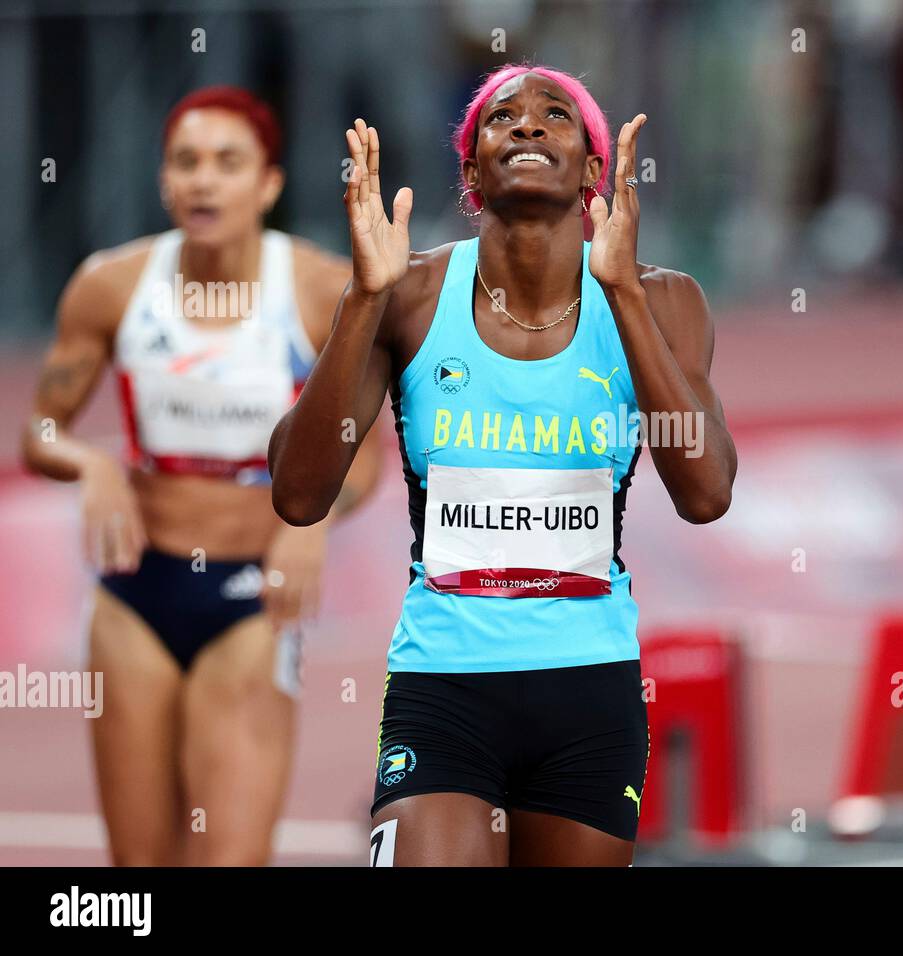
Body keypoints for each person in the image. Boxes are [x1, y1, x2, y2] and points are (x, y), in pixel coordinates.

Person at [269, 64, 737, 866]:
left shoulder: (664, 301)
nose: (526, 126)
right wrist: (361, 301)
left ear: (595, 172)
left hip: (590, 689)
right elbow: (298, 494)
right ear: (471, 170)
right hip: (444, 687)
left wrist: (619, 294)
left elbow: (705, 492)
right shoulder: (408, 295)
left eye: (555, 116)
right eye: (502, 119)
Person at [20, 85, 382, 866]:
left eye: (227, 162)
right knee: (138, 873)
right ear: (163, 181)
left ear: (269, 184)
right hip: (133, 598)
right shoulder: (112, 285)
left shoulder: (317, 292)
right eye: (186, 162)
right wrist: (90, 464)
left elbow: (367, 450)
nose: (203, 181)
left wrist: (309, 525)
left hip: (250, 603)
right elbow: (38, 429)